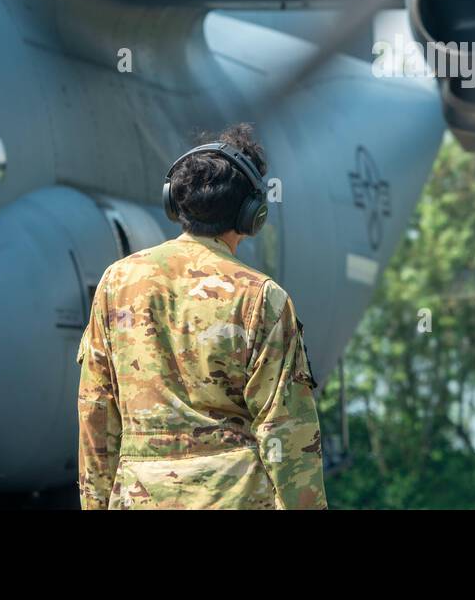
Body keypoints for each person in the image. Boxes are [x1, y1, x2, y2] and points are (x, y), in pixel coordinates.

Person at [76, 123, 325, 509]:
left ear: (175, 204)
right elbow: (288, 434)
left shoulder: (116, 283)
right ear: (251, 214)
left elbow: (96, 412)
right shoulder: (260, 298)